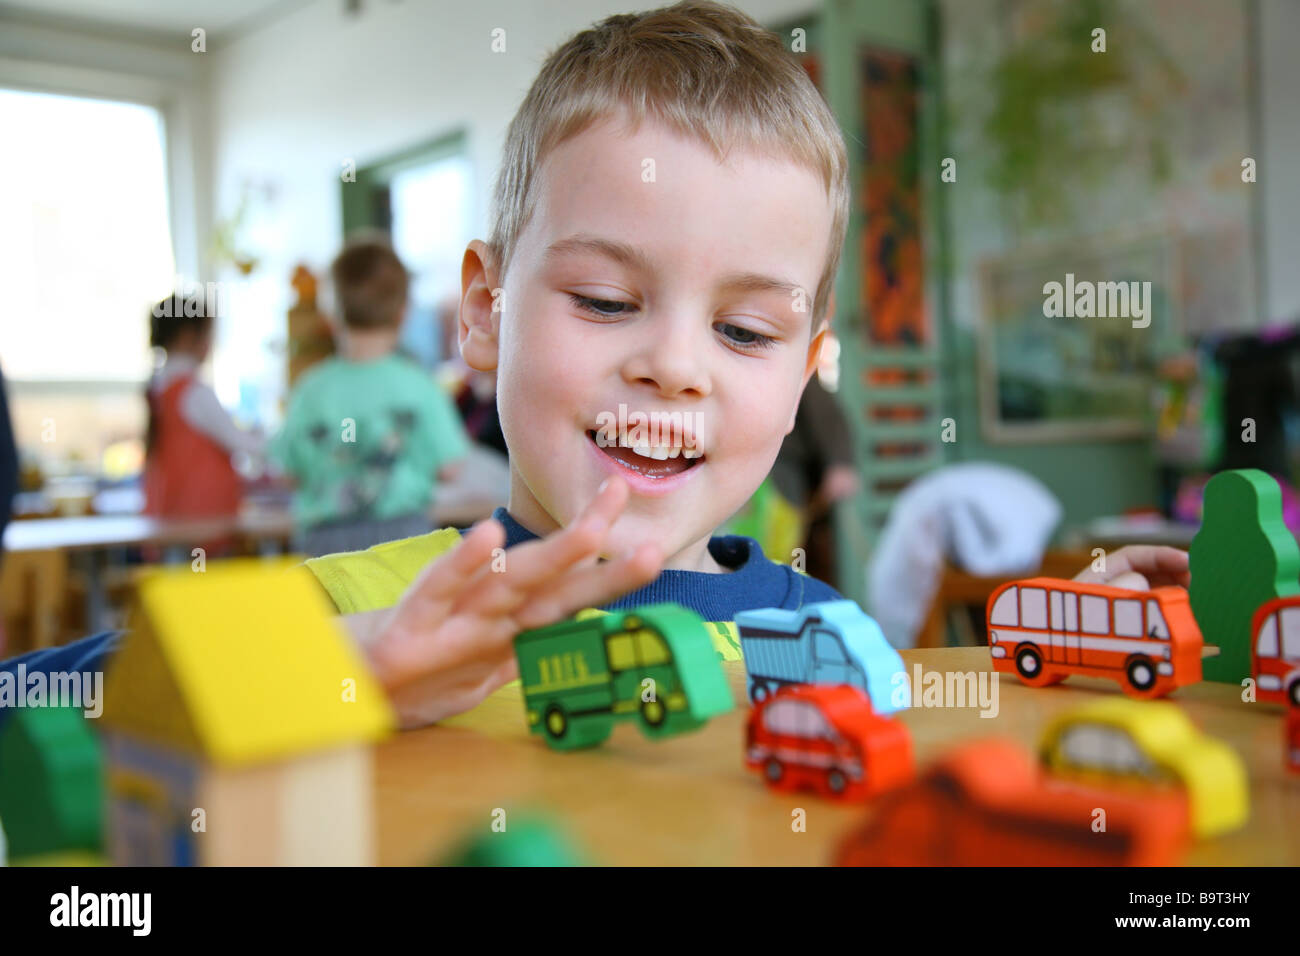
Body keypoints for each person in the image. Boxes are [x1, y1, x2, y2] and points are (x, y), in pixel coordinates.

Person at [1, 0, 1187, 730]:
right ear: (483, 313)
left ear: (809, 370)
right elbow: (32, 705)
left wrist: (1070, 649)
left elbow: (946, 735)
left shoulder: (818, 626)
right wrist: (351, 672)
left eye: (745, 330)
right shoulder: (368, 602)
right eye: (608, 299)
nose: (673, 366)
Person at [271, 236, 470, 556]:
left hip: (324, 545)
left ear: (330, 316)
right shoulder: (420, 386)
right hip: (405, 539)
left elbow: (286, 473)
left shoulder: (310, 388)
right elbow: (451, 467)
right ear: (403, 313)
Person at [143, 292, 264, 550]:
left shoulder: (160, 388)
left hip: (172, 515)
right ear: (189, 336)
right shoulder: (194, 392)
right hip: (204, 520)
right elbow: (241, 443)